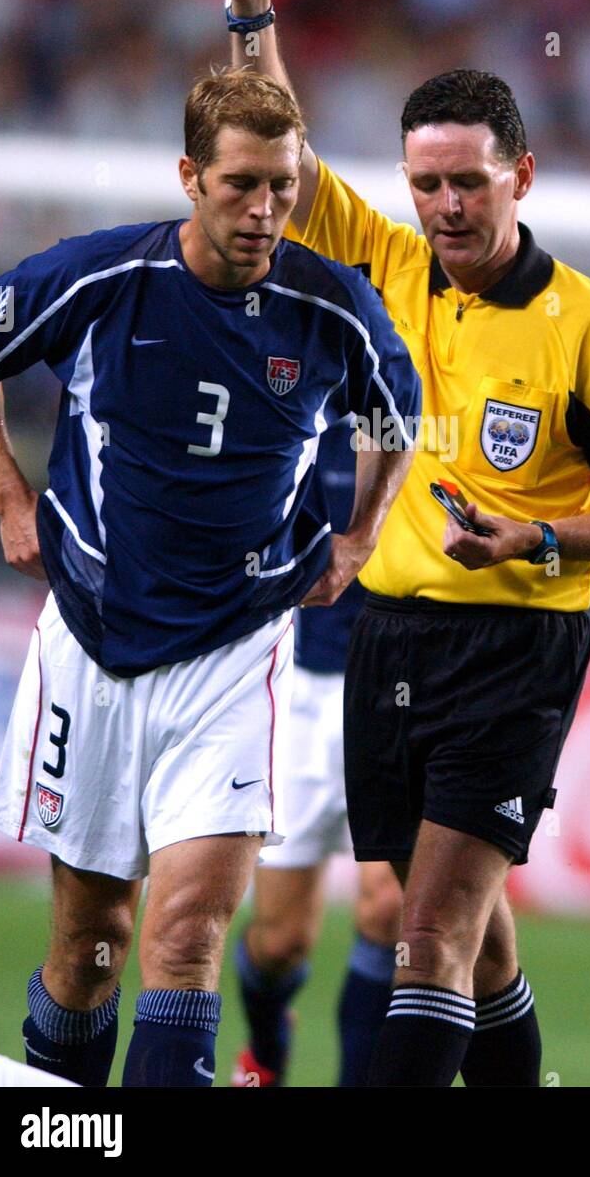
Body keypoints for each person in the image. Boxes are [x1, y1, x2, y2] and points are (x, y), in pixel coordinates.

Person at [214, 0, 590, 1089]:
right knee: (477, 948)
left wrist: (538, 534)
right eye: (424, 184)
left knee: (424, 929)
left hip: (512, 647)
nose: (443, 208)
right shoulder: (392, 266)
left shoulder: (588, 326)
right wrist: (249, 14)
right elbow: (286, 154)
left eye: (466, 185)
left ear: (518, 175)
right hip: (386, 636)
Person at [0, 66, 420, 1088]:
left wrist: (357, 539)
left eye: (282, 186)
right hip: (91, 640)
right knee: (91, 944)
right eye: (240, 185)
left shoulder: (330, 306)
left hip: (233, 653)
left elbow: (401, 417)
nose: (265, 210)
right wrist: (6, 494)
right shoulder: (100, 277)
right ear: (189, 177)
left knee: (184, 936)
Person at [232, 419, 402, 1089]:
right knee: (280, 941)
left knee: (389, 913)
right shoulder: (295, 388)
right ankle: (267, 1052)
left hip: (397, 687)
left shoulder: (418, 398)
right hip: (296, 693)